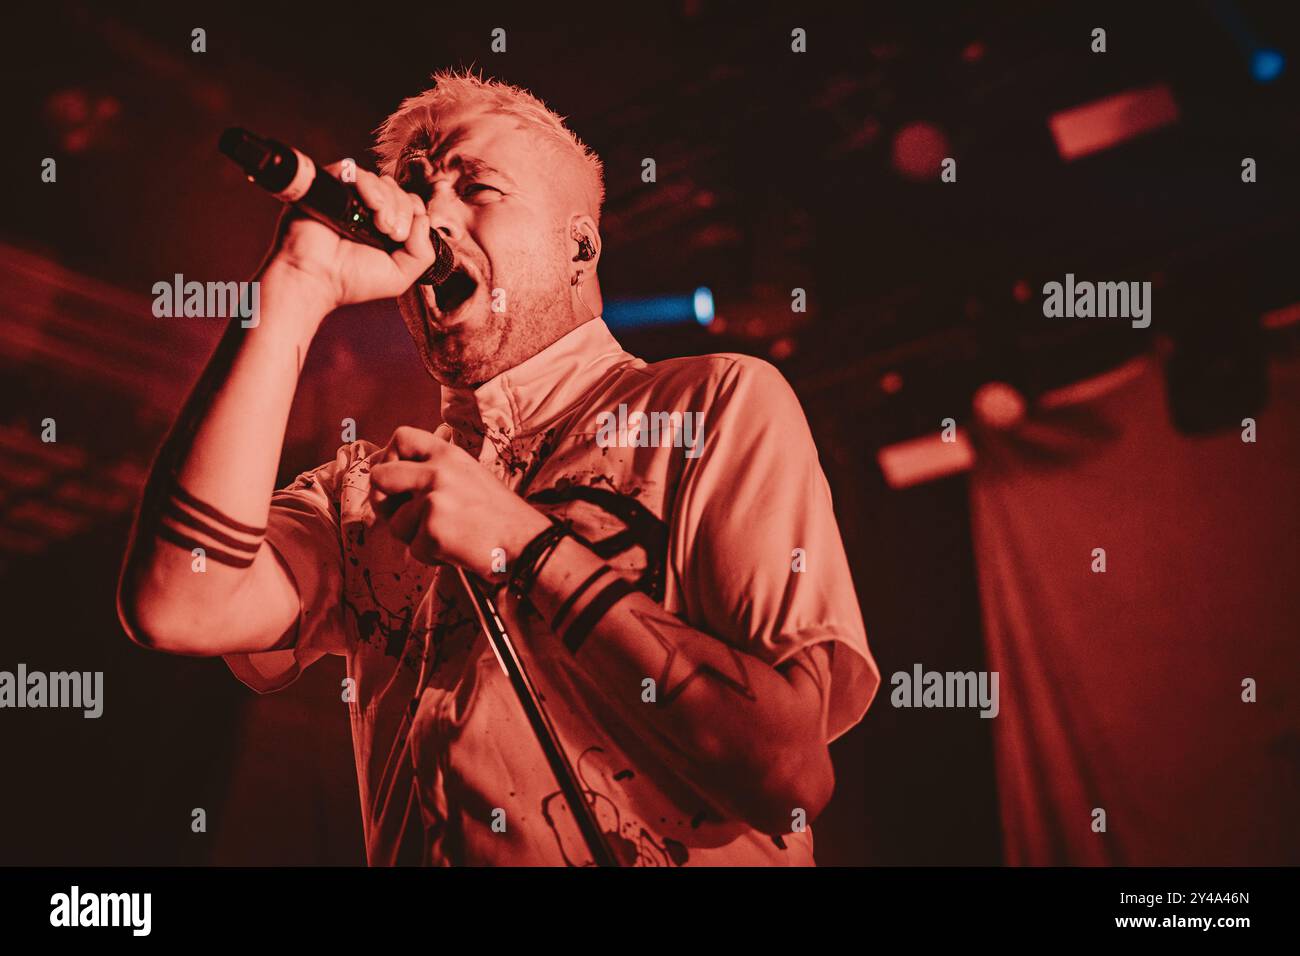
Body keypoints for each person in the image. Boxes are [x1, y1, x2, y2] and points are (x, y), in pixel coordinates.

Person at [118, 70, 880, 866]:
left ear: (579, 244)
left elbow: (785, 773)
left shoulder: (710, 404)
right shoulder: (364, 494)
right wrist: (296, 288)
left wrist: (526, 546)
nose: (434, 215)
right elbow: (176, 602)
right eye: (415, 190)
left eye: (477, 188)